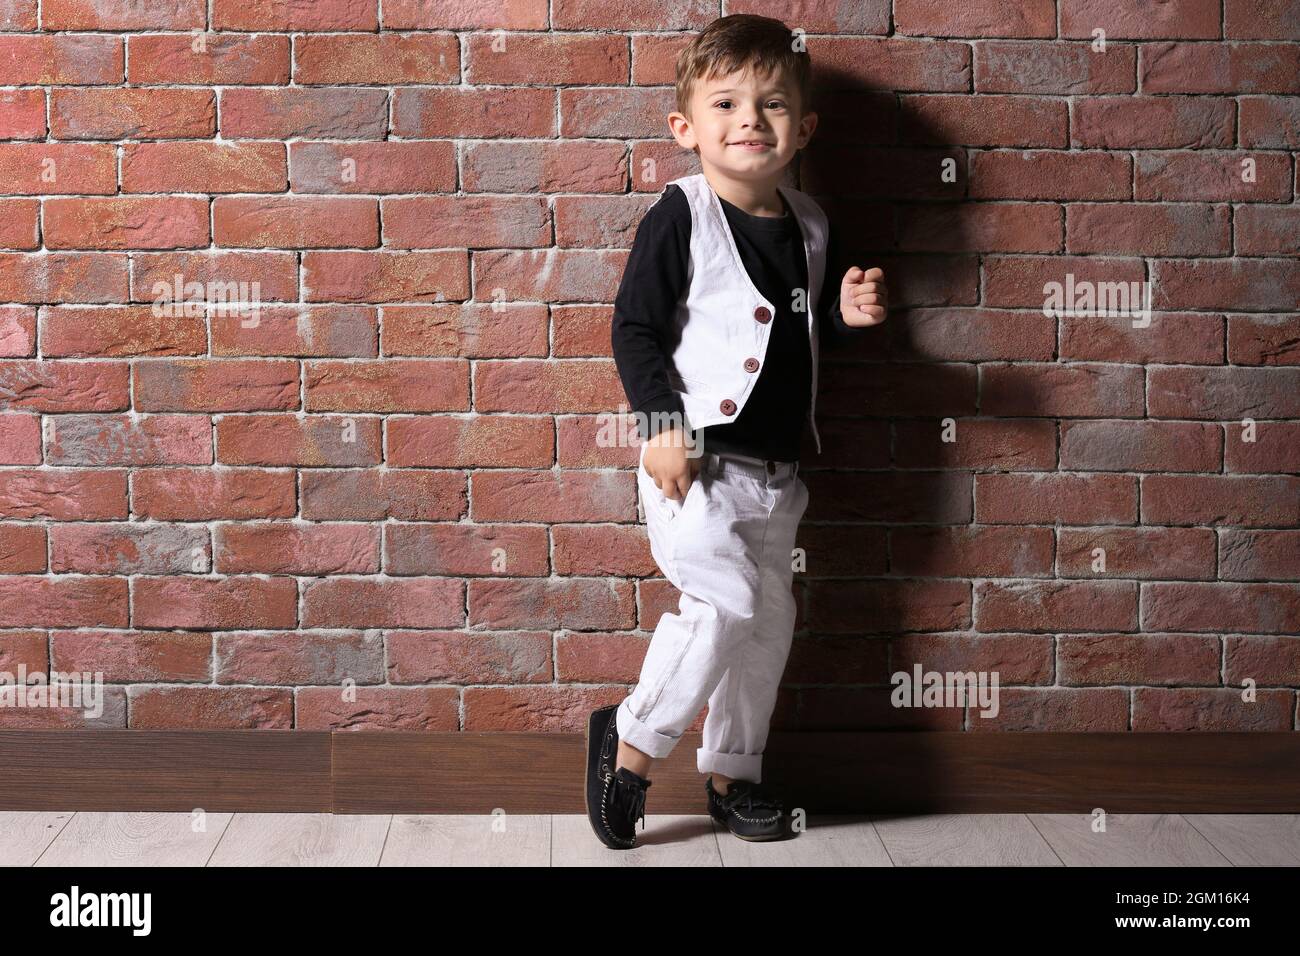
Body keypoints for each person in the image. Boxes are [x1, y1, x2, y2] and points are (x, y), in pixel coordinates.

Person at [585, 13, 889, 850]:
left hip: (778, 473)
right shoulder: (680, 216)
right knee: (723, 604)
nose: (751, 119)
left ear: (804, 129)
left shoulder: (815, 225)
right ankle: (633, 744)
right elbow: (634, 329)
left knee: (766, 626)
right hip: (697, 466)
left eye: (773, 104)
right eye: (726, 103)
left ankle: (735, 777)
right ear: (687, 129)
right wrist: (660, 424)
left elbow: (790, 330)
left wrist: (844, 312)